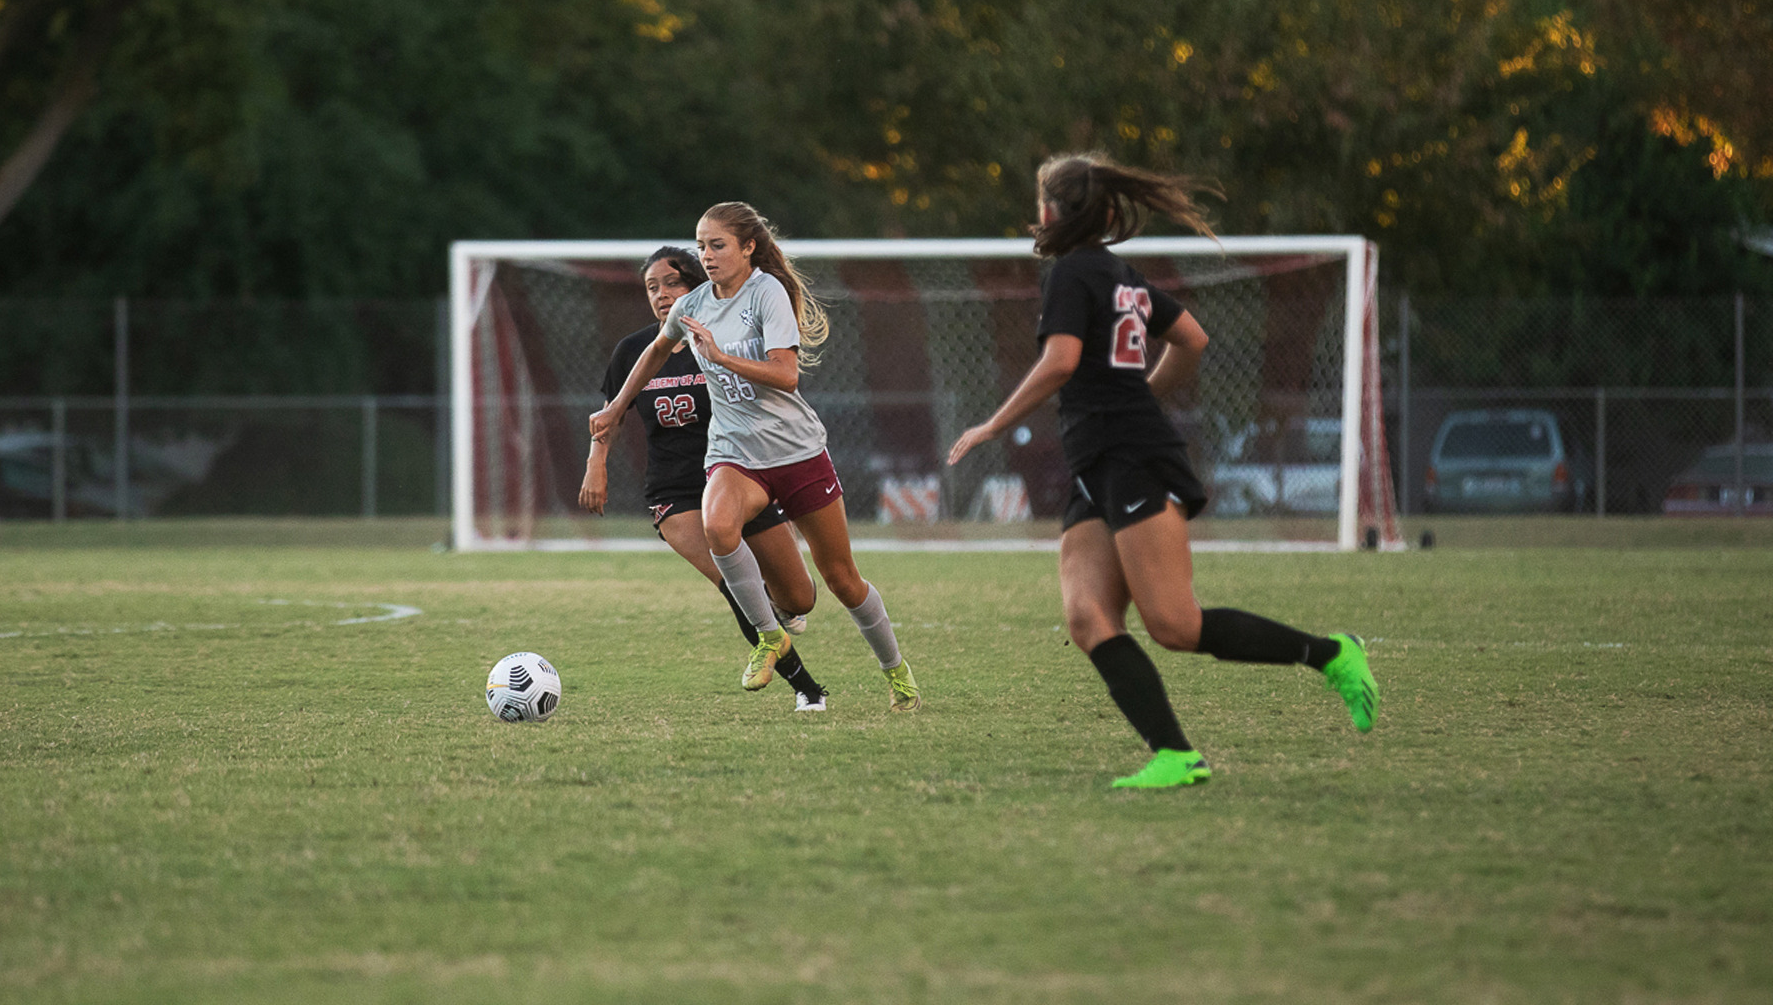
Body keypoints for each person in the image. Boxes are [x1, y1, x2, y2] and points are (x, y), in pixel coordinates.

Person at [947, 152, 1379, 789]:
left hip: (1128, 457)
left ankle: (1333, 654)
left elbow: (1062, 362)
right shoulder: (1115, 274)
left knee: (1175, 625)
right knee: (1088, 616)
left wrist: (994, 424)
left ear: (1054, 211)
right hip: (1100, 461)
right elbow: (1191, 338)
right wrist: (1142, 395)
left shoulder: (1072, 274)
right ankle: (1175, 755)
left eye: (1040, 201)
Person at [591, 204, 920, 712]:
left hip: (795, 452)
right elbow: (656, 350)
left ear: (748, 247)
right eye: (701, 246)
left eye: (717, 245)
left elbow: (786, 375)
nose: (706, 255)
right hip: (734, 452)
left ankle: (896, 671)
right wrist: (616, 407)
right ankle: (768, 637)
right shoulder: (694, 304)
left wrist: (721, 358)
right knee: (719, 526)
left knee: (840, 580)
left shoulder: (767, 292)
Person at [580, 246, 829, 711]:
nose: (661, 294)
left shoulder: (724, 341)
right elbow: (611, 412)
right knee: (735, 586)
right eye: (652, 287)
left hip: (739, 474)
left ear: (697, 287)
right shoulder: (634, 351)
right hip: (675, 492)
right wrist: (597, 462)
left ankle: (783, 605)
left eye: (671, 283)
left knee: (799, 598)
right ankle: (808, 690)